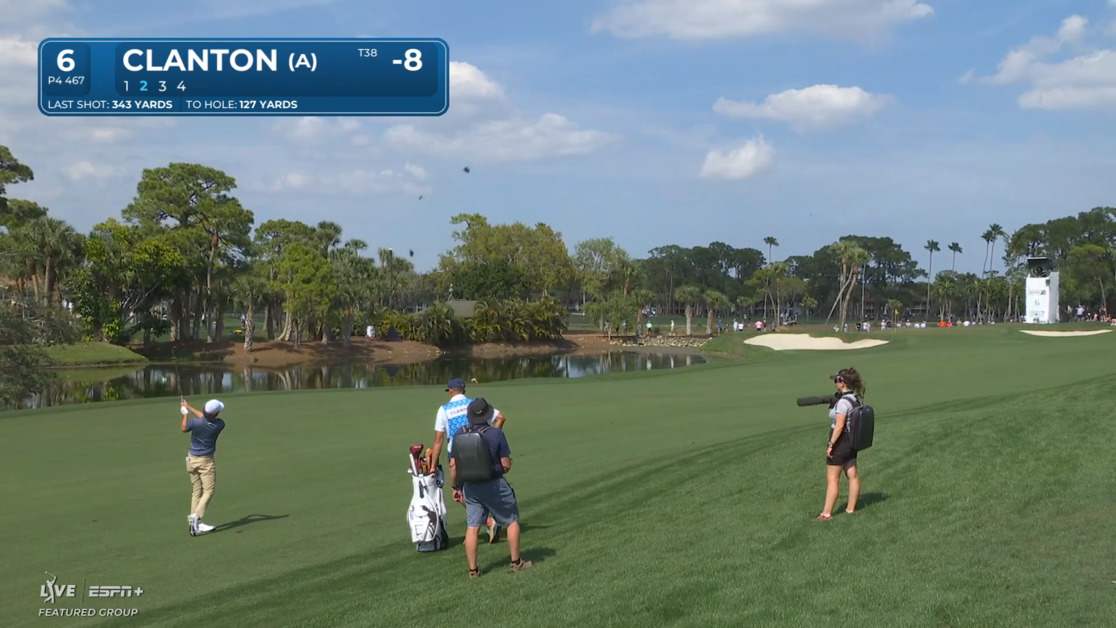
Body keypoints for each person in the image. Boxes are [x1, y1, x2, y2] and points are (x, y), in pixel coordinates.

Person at [450, 398, 532, 577]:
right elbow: (506, 464)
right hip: (494, 484)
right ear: (487, 414)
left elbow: (453, 466)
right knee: (511, 520)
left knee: (472, 527)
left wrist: (455, 487)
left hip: (470, 487)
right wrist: (504, 467)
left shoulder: (458, 434)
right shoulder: (496, 434)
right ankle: (516, 562)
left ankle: (473, 570)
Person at [429, 378, 506, 539]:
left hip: (457, 455)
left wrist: (432, 466)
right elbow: (501, 418)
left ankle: (489, 522)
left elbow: (438, 441)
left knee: (461, 494)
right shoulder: (475, 405)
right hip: (480, 450)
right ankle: (493, 520)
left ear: (450, 391)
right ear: (463, 390)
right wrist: (491, 436)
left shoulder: (444, 409)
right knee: (485, 486)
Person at [817, 368, 865, 521]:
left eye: (836, 380)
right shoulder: (855, 398)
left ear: (842, 383)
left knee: (832, 478)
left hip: (840, 441)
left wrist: (831, 444)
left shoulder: (843, 402)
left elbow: (839, 425)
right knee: (852, 474)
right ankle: (850, 509)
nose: (835, 383)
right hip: (852, 441)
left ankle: (826, 513)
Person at [180, 398, 226, 536]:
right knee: (209, 491)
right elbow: (205, 417)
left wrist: (185, 412)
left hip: (191, 459)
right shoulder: (219, 424)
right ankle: (196, 518)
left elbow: (184, 428)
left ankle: (194, 525)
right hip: (205, 462)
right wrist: (188, 407)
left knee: (196, 491)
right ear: (216, 414)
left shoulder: (195, 422)